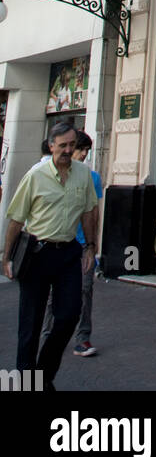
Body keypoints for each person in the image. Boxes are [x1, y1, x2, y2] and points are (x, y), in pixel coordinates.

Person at [2, 120, 98, 390]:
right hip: (37, 252)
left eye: (72, 145)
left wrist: (91, 246)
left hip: (68, 251)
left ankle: (42, 376)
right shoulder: (35, 175)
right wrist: (6, 257)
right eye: (63, 145)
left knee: (69, 315)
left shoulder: (83, 174)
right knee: (30, 324)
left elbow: (89, 211)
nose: (68, 150)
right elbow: (16, 220)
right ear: (51, 145)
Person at [41, 130, 103, 358]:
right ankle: (47, 335)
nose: (83, 154)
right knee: (52, 295)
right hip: (57, 243)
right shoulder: (46, 174)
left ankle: (83, 337)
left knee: (85, 291)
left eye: (86, 149)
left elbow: (94, 212)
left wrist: (93, 244)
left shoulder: (92, 177)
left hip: (81, 245)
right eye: (80, 149)